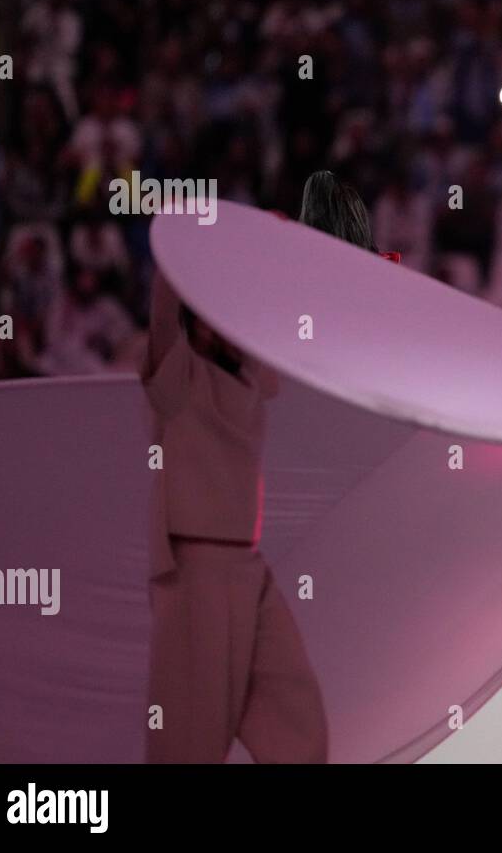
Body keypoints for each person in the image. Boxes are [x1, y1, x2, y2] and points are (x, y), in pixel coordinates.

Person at [143, 266, 327, 763]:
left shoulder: (250, 380)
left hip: (246, 566)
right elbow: (162, 316)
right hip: (195, 568)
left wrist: (267, 252)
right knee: (190, 736)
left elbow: (272, 340)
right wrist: (179, 245)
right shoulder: (178, 375)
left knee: (298, 720)